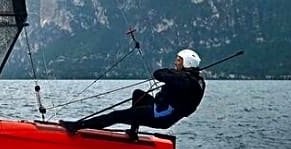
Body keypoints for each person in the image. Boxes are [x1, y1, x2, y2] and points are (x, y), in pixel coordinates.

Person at [59, 49, 206, 140]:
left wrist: (176, 74)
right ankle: (133, 132)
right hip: (164, 110)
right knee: (137, 94)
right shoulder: (196, 81)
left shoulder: (185, 81)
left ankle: (77, 126)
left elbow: (158, 74)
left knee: (117, 115)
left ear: (186, 63)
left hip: (161, 116)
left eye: (179, 61)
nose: (176, 63)